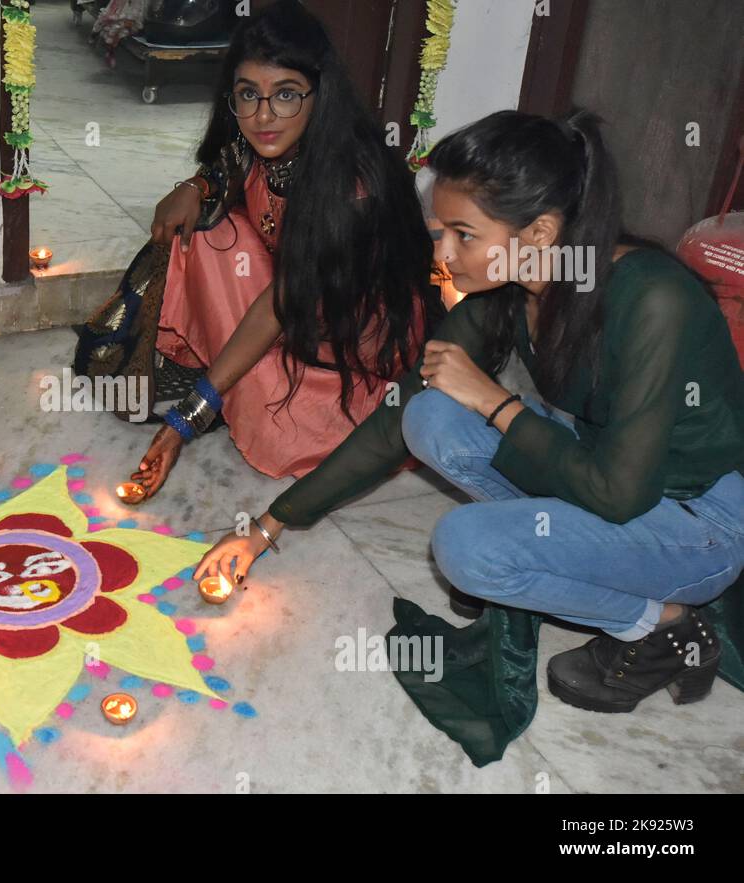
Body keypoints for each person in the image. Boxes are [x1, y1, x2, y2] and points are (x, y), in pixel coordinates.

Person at [196, 109, 744, 713]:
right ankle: (547, 552)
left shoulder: (653, 298)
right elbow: (394, 418)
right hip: (600, 471)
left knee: (466, 548)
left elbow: (619, 495)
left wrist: (494, 400)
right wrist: (267, 527)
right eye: (441, 233)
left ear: (537, 234)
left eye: (464, 235)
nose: (445, 256)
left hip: (697, 518)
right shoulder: (515, 289)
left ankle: (662, 623)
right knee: (429, 415)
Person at [75, 0, 440, 494]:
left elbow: (280, 305)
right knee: (205, 239)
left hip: (346, 343)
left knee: (277, 437)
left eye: (286, 94)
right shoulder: (260, 141)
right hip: (288, 309)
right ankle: (231, 374)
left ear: (320, 94)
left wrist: (187, 420)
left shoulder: (353, 185)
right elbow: (225, 165)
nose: (263, 115)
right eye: (248, 94)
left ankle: (235, 382)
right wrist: (194, 188)